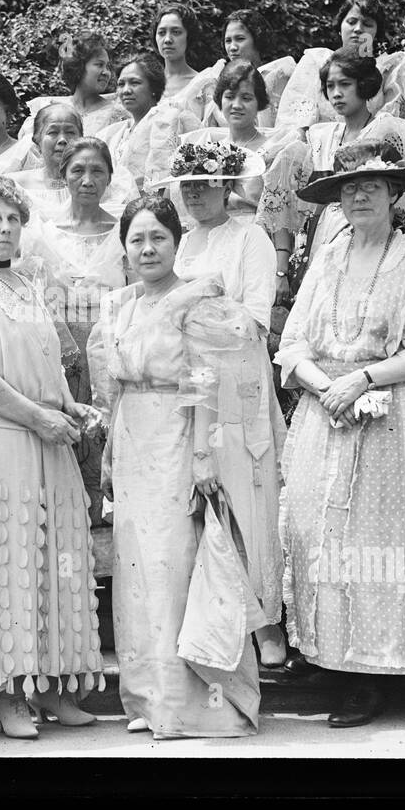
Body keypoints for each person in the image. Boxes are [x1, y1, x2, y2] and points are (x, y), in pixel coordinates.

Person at [275, 138, 405, 726]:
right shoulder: (325, 259)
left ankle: (370, 675)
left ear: (395, 195)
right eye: (348, 188)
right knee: (322, 534)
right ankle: (329, 655)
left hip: (392, 416)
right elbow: (293, 344)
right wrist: (322, 385)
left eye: (372, 186)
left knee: (379, 540)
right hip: (325, 413)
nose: (358, 195)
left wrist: (359, 378)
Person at [89, 196, 266, 737]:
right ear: (124, 248)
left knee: (175, 566)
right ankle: (147, 701)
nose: (147, 249)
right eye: (137, 239)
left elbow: (207, 383)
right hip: (132, 435)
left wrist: (202, 455)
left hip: (178, 436)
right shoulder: (117, 305)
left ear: (176, 241)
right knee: (136, 570)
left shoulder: (197, 300)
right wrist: (110, 454)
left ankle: (194, 704)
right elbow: (115, 386)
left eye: (158, 238)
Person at [0, 176, 105, 738]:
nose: (5, 229)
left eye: (12, 219)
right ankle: (7, 695)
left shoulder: (30, 284)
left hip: (48, 439)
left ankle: (55, 686)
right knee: (6, 563)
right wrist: (36, 417)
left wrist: (69, 408)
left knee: (57, 563)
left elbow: (49, 364)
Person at [148, 142, 289, 668]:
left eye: (205, 184)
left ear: (226, 186)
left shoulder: (248, 237)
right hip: (186, 381)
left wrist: (192, 310)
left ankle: (263, 623)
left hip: (236, 380)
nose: (195, 194)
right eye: (187, 185)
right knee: (195, 498)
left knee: (242, 495)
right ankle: (210, 627)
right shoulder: (178, 244)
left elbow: (252, 318)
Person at [21, 138, 128, 529]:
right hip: (60, 352)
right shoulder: (43, 234)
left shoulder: (125, 233)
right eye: (78, 170)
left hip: (112, 349)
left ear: (110, 178)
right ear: (63, 175)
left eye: (97, 170)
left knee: (107, 439)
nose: (87, 179)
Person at [257, 47, 405, 278]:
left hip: (366, 229)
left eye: (344, 84)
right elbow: (293, 192)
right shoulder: (320, 136)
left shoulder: (384, 130)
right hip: (321, 232)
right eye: (330, 86)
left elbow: (395, 198)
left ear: (363, 85)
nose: (336, 93)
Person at [274, 0, 405, 135]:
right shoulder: (317, 61)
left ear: (377, 33)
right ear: (340, 28)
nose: (358, 29)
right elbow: (295, 124)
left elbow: (391, 125)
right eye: (351, 22)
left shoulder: (390, 68)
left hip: (369, 149)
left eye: (367, 24)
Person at [176, 59, 286, 223]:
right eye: (230, 97)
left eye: (246, 98)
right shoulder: (207, 150)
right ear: (220, 100)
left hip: (257, 232)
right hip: (213, 232)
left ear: (259, 103)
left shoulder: (274, 149)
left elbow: (279, 212)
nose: (237, 105)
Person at [96, 52, 200, 198]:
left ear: (153, 88)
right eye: (121, 84)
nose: (126, 90)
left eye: (135, 83)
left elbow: (165, 180)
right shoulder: (111, 133)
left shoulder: (168, 121)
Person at [18, 31, 130, 140]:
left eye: (108, 67)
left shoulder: (118, 115)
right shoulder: (48, 107)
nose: (106, 72)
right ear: (78, 67)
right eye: (99, 65)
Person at [201, 9, 297, 130]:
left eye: (240, 39)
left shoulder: (277, 76)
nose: (232, 47)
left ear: (257, 40)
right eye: (228, 41)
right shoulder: (215, 79)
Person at [152, 3, 212, 119]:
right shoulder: (147, 83)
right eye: (162, 32)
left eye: (176, 32)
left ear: (188, 37)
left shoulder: (203, 84)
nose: (168, 40)